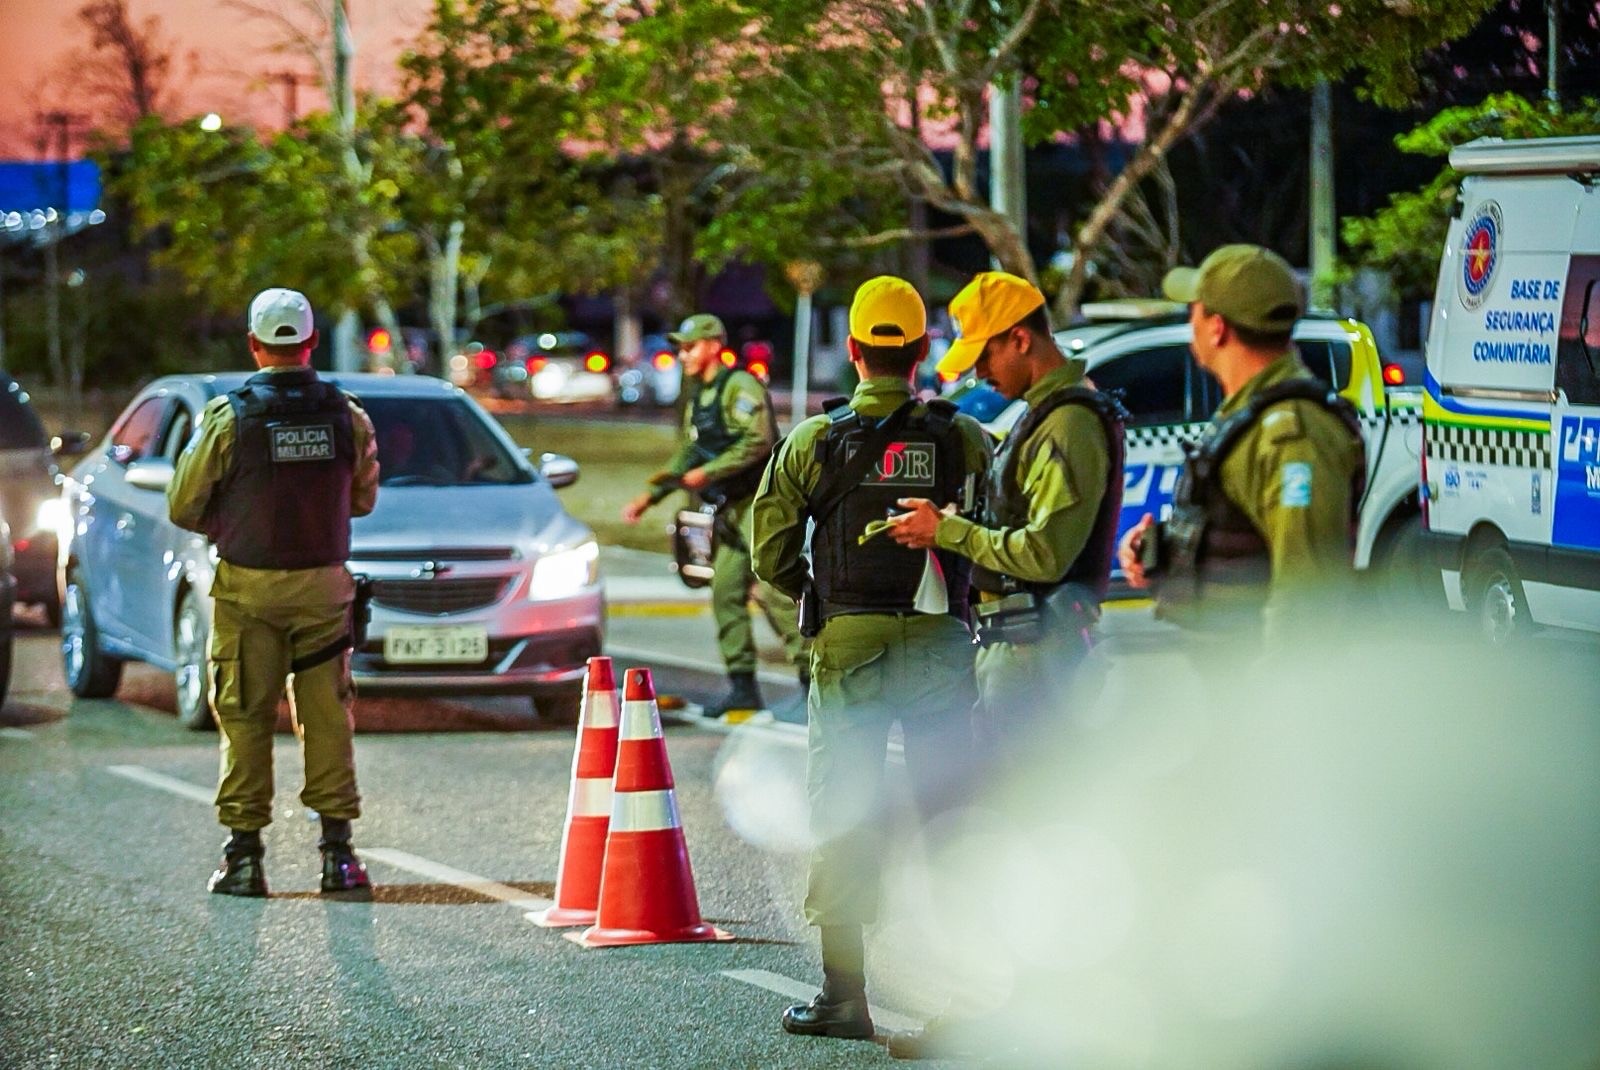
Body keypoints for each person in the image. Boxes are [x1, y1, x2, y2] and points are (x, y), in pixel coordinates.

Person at [749, 276, 992, 1041]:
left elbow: (769, 552)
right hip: (940, 644)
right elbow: (998, 528)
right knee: (948, 812)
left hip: (848, 642)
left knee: (845, 809)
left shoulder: (814, 443)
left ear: (854, 351)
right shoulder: (963, 438)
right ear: (922, 354)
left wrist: (818, 600)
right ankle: (960, 992)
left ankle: (844, 996)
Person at [168, 287, 381, 898]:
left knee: (245, 719)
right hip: (323, 591)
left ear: (255, 345)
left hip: (248, 593)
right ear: (311, 343)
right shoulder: (348, 414)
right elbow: (363, 499)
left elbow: (184, 504)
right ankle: (338, 858)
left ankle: (244, 860)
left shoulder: (229, 417)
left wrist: (231, 520)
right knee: (327, 719)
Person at [887, 271, 1125, 747]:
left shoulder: (1068, 424)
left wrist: (949, 531)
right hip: (1020, 645)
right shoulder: (1043, 416)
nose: (979, 374)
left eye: (984, 356)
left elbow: (1046, 554)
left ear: (1019, 339)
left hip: (1037, 653)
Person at [1117, 244, 1365, 651]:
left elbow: (1305, 600)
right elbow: (1243, 541)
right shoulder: (1247, 414)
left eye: (1193, 310)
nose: (1189, 323)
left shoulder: (1292, 434)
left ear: (1216, 328)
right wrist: (1160, 549)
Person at [621, 312, 805, 718]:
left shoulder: (738, 386)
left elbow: (758, 441)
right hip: (729, 511)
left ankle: (814, 683)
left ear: (713, 346)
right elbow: (691, 451)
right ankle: (742, 687)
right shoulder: (699, 398)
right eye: (680, 347)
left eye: (689, 347)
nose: (682, 355)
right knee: (725, 591)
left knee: (777, 593)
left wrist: (708, 472)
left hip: (760, 505)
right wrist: (650, 495)